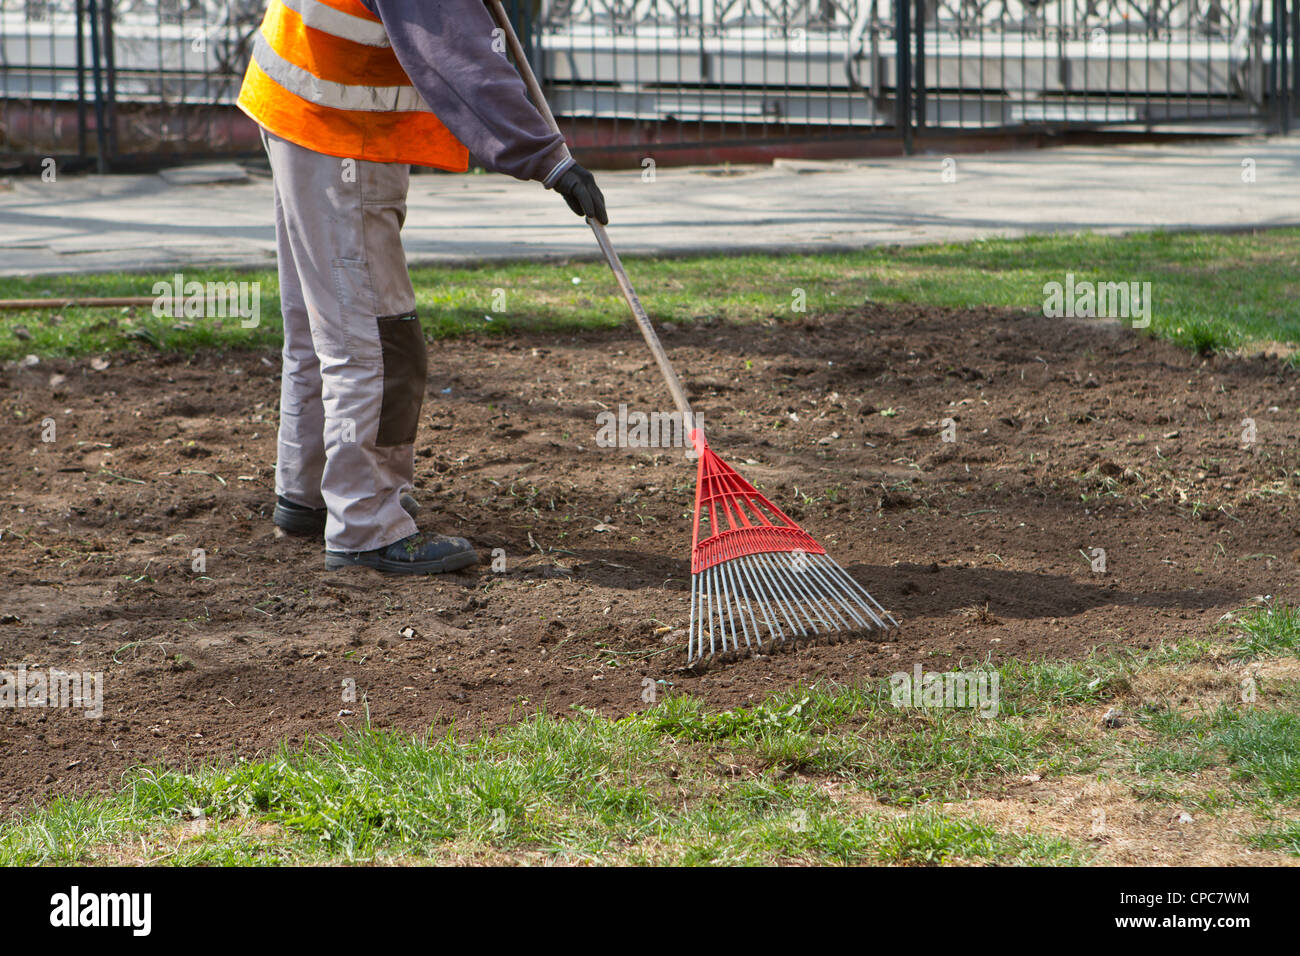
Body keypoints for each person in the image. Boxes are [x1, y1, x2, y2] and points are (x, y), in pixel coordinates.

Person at [236, 0, 606, 574]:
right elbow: (456, 56)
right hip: (341, 132)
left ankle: (308, 493)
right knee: (377, 342)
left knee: (322, 326)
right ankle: (367, 524)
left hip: (298, 106)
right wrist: (548, 159)